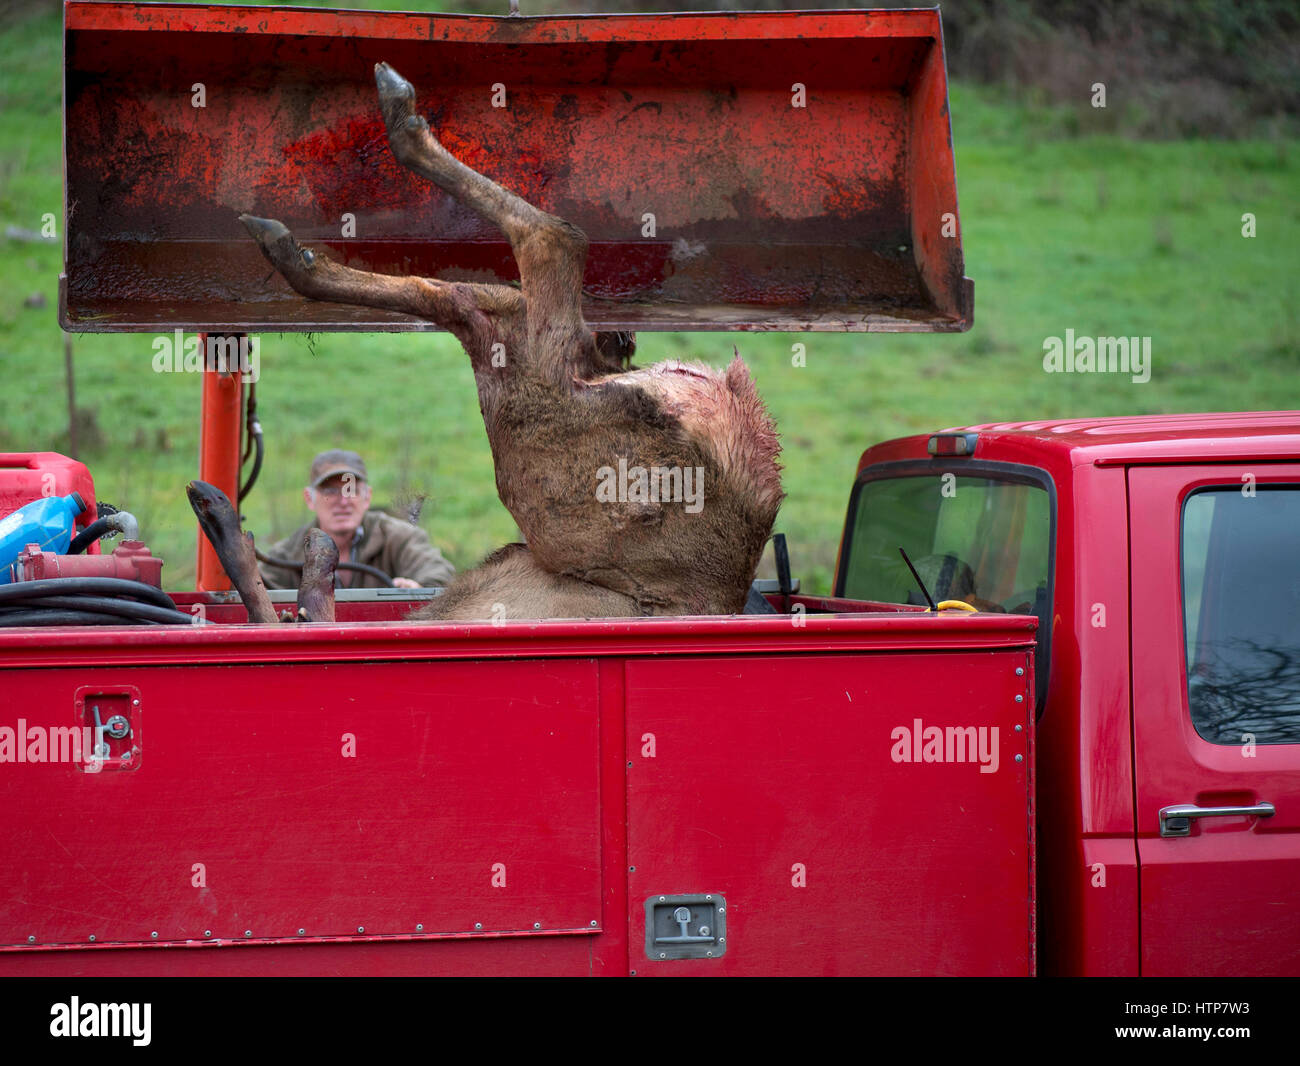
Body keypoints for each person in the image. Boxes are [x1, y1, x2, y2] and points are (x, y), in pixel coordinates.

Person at [258, 449, 455, 590]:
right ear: (310, 499)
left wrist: (420, 588)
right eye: (330, 491)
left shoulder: (399, 538)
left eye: (351, 489)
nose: (343, 501)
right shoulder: (288, 554)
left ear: (367, 497)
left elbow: (440, 574)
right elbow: (252, 592)